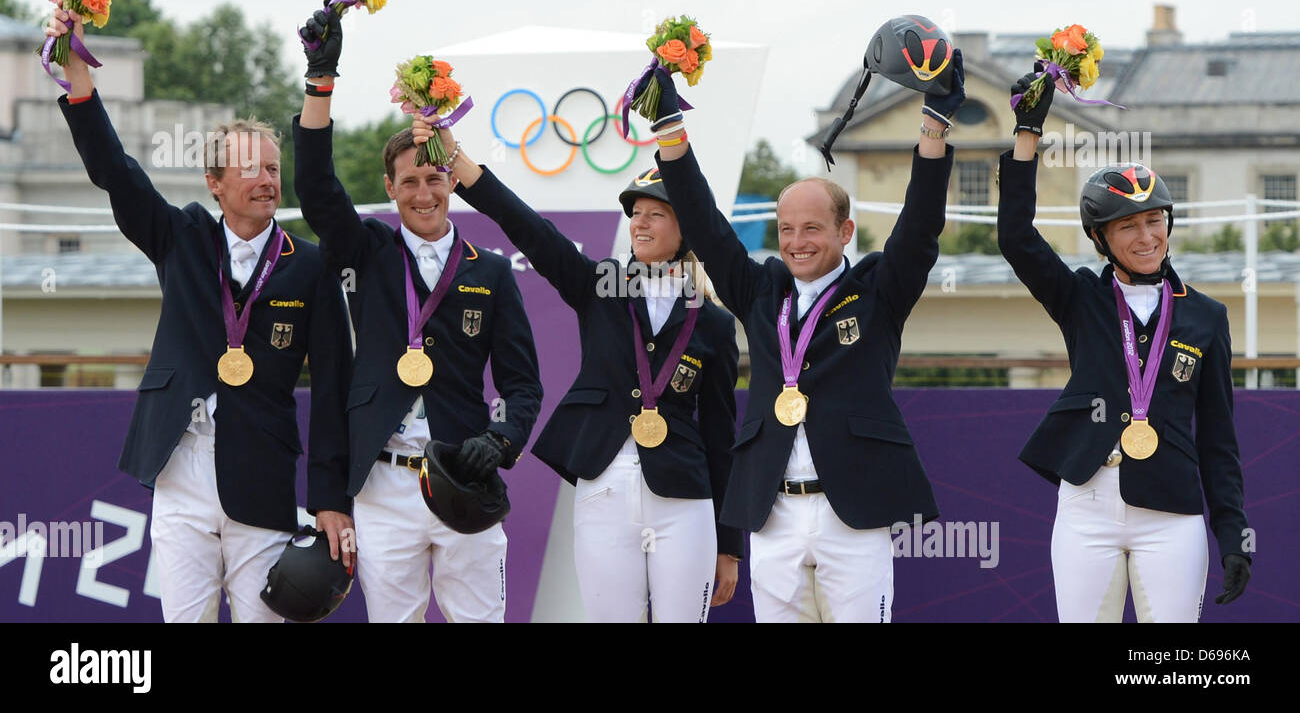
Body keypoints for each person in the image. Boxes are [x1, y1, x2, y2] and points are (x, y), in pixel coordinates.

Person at [46, 6, 354, 622]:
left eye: (273, 168)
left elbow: (334, 392)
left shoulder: (311, 266)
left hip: (261, 477)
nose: (267, 179)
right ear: (214, 181)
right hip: (180, 470)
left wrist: (331, 498)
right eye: (250, 168)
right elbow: (117, 174)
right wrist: (80, 82)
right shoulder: (181, 238)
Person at [650, 50, 966, 622]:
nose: (796, 242)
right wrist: (670, 127)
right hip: (775, 514)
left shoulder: (880, 291)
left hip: (853, 513)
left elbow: (920, 224)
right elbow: (702, 221)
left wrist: (935, 126)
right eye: (786, 229)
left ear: (845, 232)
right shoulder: (758, 292)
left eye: (812, 229)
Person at [415, 96, 743, 620]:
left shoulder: (717, 325)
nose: (640, 224)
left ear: (688, 231)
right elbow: (529, 229)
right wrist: (458, 164)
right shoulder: (600, 288)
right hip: (604, 484)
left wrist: (730, 543)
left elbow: (722, 438)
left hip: (686, 498)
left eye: (657, 214)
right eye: (635, 213)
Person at [293, 4, 542, 623]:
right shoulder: (367, 249)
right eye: (409, 182)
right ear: (390, 185)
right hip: (382, 487)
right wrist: (320, 82)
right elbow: (317, 187)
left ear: (451, 183)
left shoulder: (489, 269)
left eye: (435, 178)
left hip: (463, 479)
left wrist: (501, 438)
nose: (424, 193)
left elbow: (523, 384)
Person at [997, 69, 1252, 622]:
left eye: (1154, 221)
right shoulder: (1080, 298)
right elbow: (1015, 237)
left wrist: (1233, 532)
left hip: (1172, 511)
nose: (1146, 237)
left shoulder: (1207, 317)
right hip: (1087, 503)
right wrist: (1027, 133)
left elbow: (1219, 437)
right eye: (1128, 226)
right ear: (1100, 238)